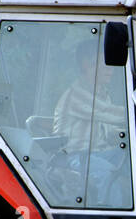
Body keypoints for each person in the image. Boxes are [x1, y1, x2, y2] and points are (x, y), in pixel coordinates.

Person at [52, 37, 131, 209]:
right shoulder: (77, 94)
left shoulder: (102, 94)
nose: (110, 69)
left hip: (99, 153)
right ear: (86, 65)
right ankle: (113, 215)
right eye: (104, 63)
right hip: (75, 156)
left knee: (134, 161)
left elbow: (109, 130)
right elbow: (110, 114)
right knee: (109, 173)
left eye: (110, 63)